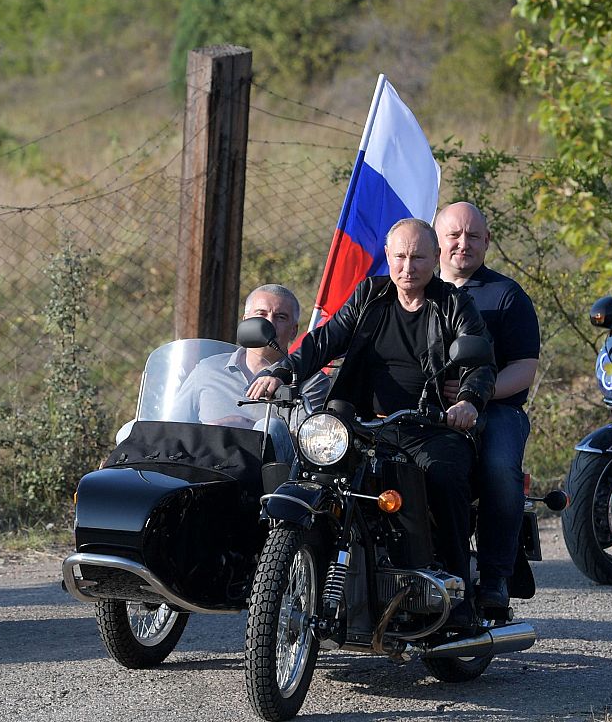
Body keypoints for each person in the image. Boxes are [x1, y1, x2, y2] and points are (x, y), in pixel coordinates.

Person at [248, 219, 495, 610]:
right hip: (361, 424)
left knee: (444, 477)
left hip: (427, 425)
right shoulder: (369, 294)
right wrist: (281, 371)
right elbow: (324, 341)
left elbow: (480, 363)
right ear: (388, 257)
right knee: (315, 469)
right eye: (399, 256)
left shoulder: (453, 303)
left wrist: (467, 400)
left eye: (417, 257)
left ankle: (457, 589)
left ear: (435, 258)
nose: (407, 266)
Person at [433, 202, 541, 615]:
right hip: (424, 409)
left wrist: (476, 394)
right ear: (436, 239)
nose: (464, 244)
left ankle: (495, 575)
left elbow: (525, 369)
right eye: (455, 235)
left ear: (487, 242)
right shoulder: (413, 290)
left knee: (498, 466)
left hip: (496, 411)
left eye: (474, 236)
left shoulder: (507, 295)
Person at [171, 284, 330, 462]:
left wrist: (245, 429)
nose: (269, 323)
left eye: (281, 317)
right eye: (261, 314)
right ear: (245, 320)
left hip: (268, 479)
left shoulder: (311, 380)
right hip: (205, 471)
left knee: (269, 427)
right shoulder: (207, 369)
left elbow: (304, 446)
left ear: (293, 330)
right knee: (133, 427)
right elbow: (170, 427)